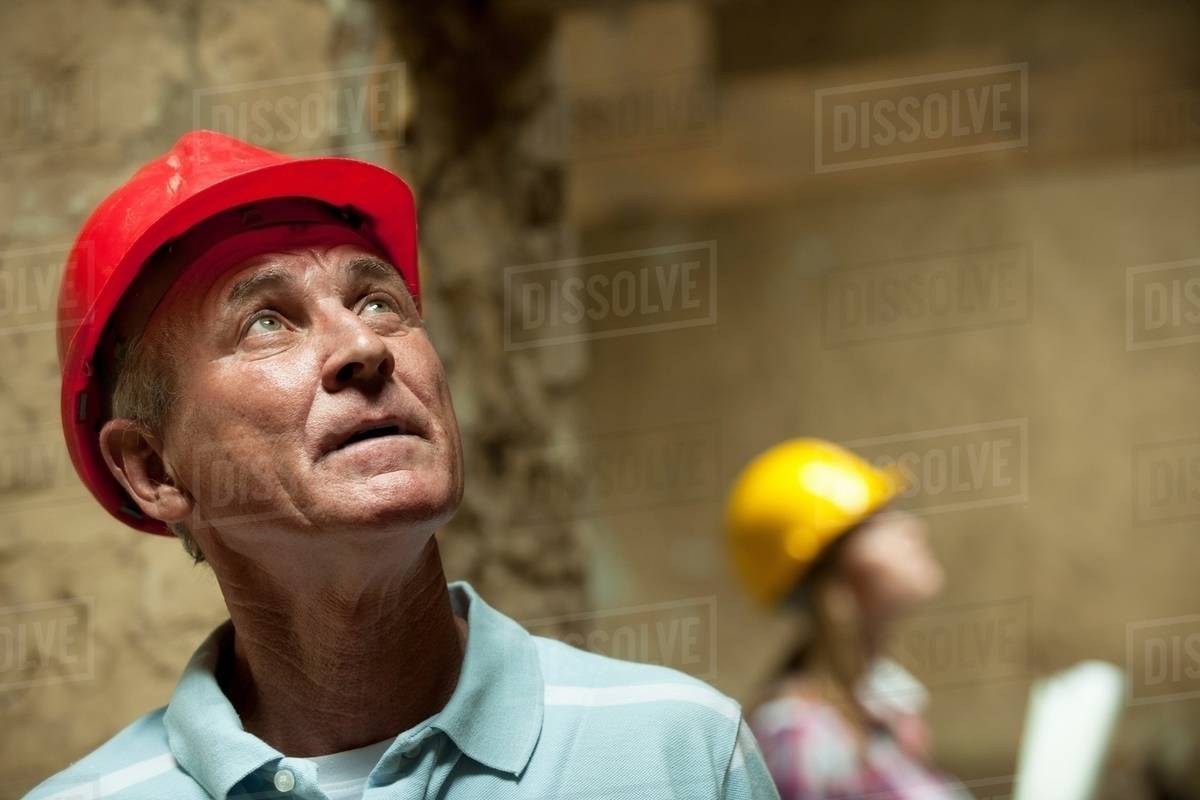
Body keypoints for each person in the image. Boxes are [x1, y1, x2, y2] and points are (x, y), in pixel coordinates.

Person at [25, 131, 780, 800]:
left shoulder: (680, 752)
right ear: (153, 469)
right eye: (266, 321)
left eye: (378, 302)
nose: (365, 347)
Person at [725, 439, 971, 799]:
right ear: (831, 572)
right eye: (876, 521)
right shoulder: (800, 737)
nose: (912, 529)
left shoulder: (882, 707)